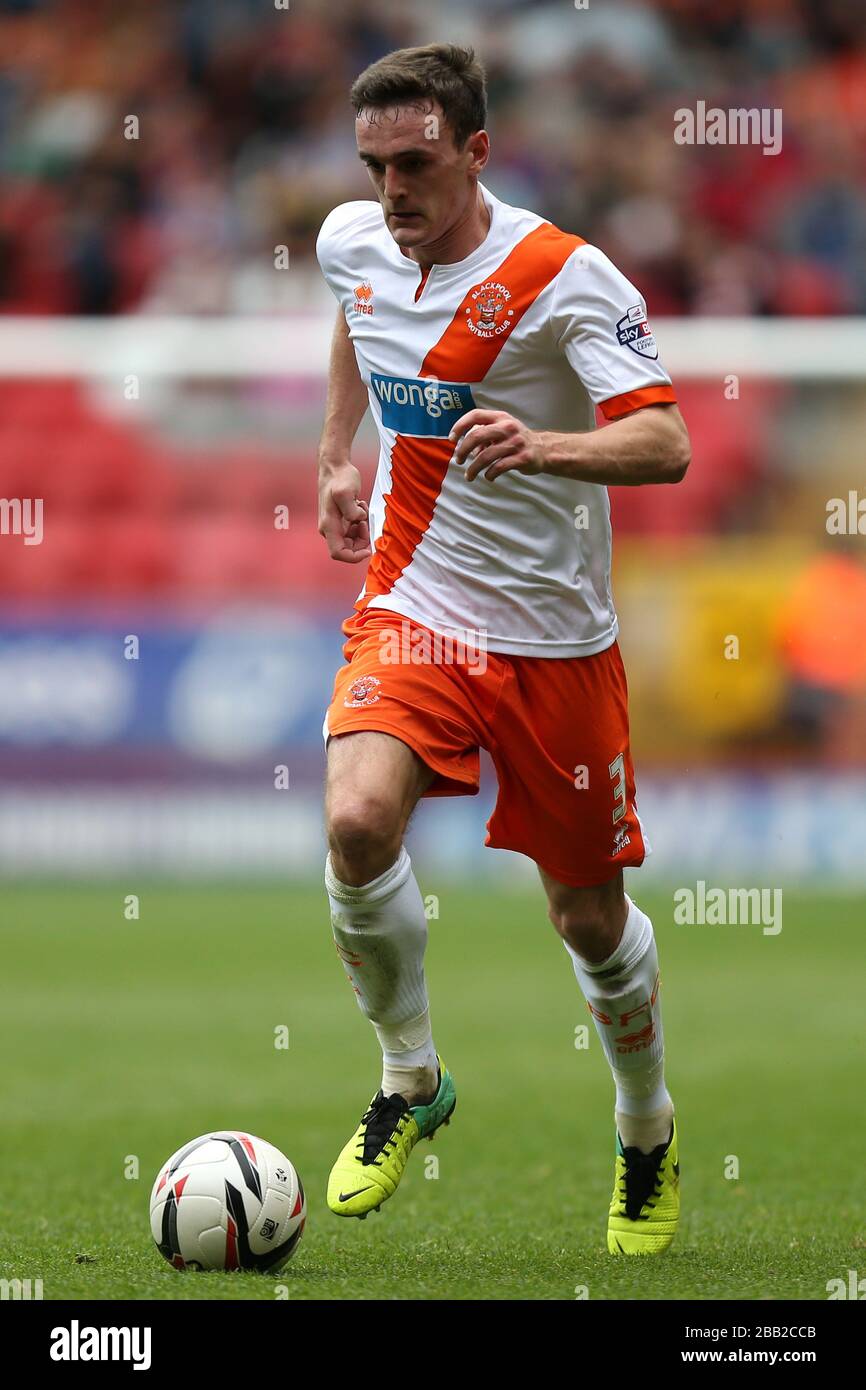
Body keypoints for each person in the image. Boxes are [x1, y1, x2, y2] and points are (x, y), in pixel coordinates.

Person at [315, 43, 690, 1254]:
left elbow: (665, 443)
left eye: (414, 163)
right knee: (357, 820)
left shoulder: (561, 276)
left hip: (555, 643)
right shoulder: (351, 241)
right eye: (373, 165)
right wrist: (340, 453)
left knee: (585, 917)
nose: (390, 191)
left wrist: (544, 445)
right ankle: (410, 1082)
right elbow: (354, 322)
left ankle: (644, 1130)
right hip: (414, 604)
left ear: (476, 151)